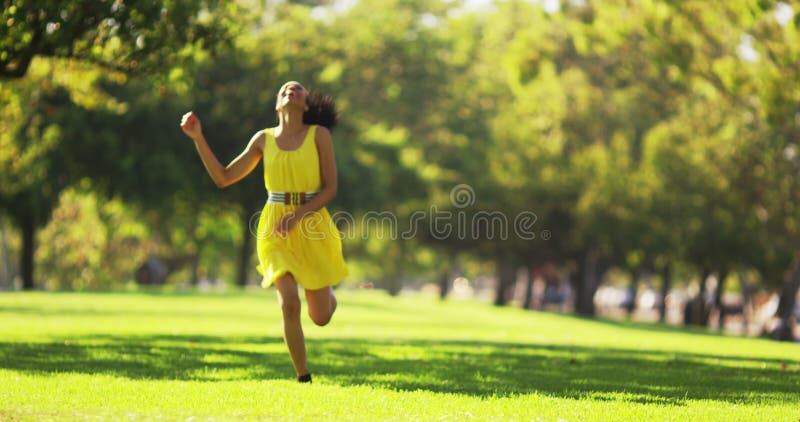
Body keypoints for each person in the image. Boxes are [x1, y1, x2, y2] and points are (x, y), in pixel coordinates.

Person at [179, 81, 349, 383]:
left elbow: (331, 188)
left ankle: (328, 296)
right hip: (275, 226)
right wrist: (198, 137)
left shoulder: (318, 136)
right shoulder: (263, 140)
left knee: (320, 317)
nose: (291, 91)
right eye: (285, 89)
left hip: (310, 223)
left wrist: (298, 215)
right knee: (288, 301)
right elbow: (224, 177)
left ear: (306, 104)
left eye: (298, 89)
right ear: (277, 105)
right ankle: (303, 376)